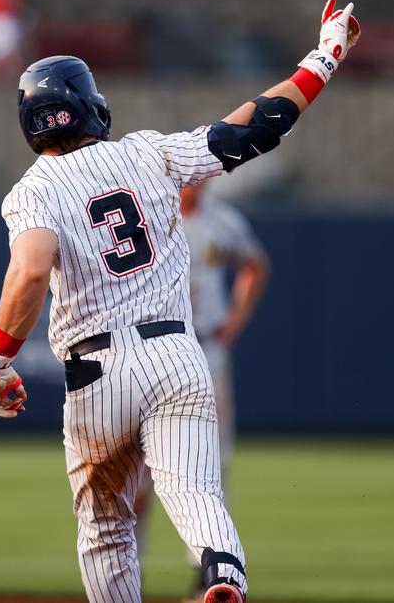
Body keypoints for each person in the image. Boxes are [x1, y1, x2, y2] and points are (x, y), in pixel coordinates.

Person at [0, 0, 360, 603]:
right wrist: (324, 58)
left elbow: (28, 275)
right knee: (194, 491)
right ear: (88, 105)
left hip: (96, 371)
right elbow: (253, 128)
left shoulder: (32, 193)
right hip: (177, 355)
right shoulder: (146, 153)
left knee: (107, 529)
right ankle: (221, 573)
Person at [134, 180, 270, 601]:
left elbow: (255, 264)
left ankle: (206, 573)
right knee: (136, 470)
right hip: (154, 349)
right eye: (185, 174)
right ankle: (126, 572)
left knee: (211, 461)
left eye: (199, 175)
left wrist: (236, 316)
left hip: (207, 346)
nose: (194, 181)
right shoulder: (148, 214)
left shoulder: (221, 221)